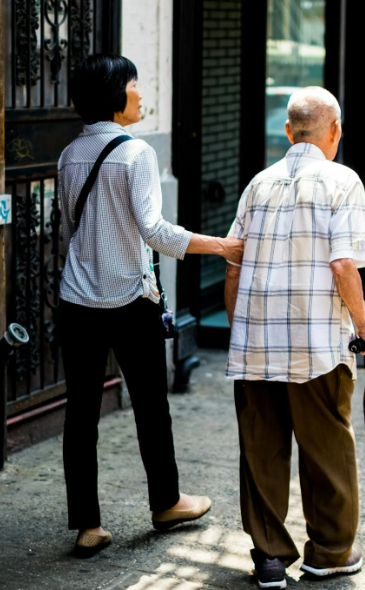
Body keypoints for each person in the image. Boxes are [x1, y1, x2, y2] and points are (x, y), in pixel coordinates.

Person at [57, 54, 243, 556]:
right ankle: (165, 502)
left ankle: (87, 525)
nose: (141, 94)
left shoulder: (69, 153)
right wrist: (222, 246)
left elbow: (69, 232)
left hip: (76, 298)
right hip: (127, 298)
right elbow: (156, 232)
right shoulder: (135, 152)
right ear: (118, 95)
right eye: (135, 86)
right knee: (150, 406)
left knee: (81, 415)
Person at [223, 86, 365, 589]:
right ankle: (330, 553)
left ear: (288, 132)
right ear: (333, 131)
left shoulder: (259, 183)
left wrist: (239, 328)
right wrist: (363, 326)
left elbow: (233, 264)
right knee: (328, 448)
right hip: (317, 344)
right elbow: (343, 263)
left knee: (261, 450)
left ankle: (269, 557)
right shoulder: (343, 180)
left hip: (256, 343)